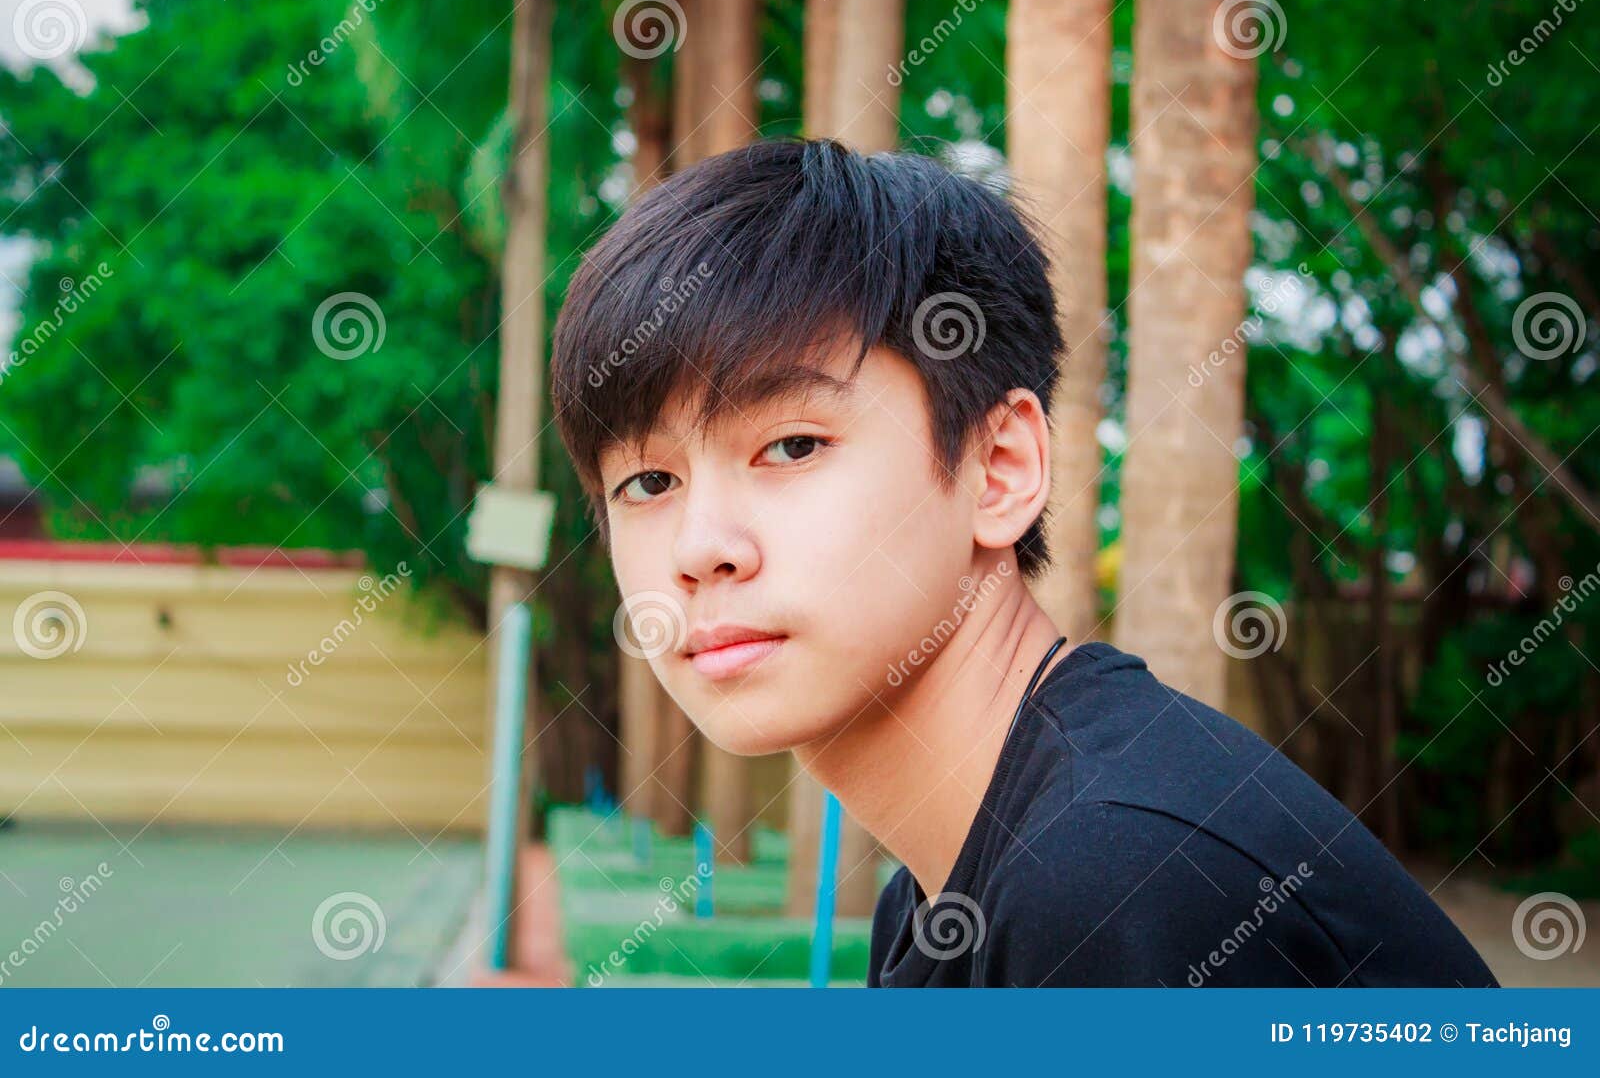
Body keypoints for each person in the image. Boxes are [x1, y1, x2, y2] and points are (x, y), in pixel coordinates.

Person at [548, 137, 1499, 988]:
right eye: (646, 481)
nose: (700, 548)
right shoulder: (944, 889)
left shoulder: (1119, 879)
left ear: (1000, 469)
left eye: (792, 446)